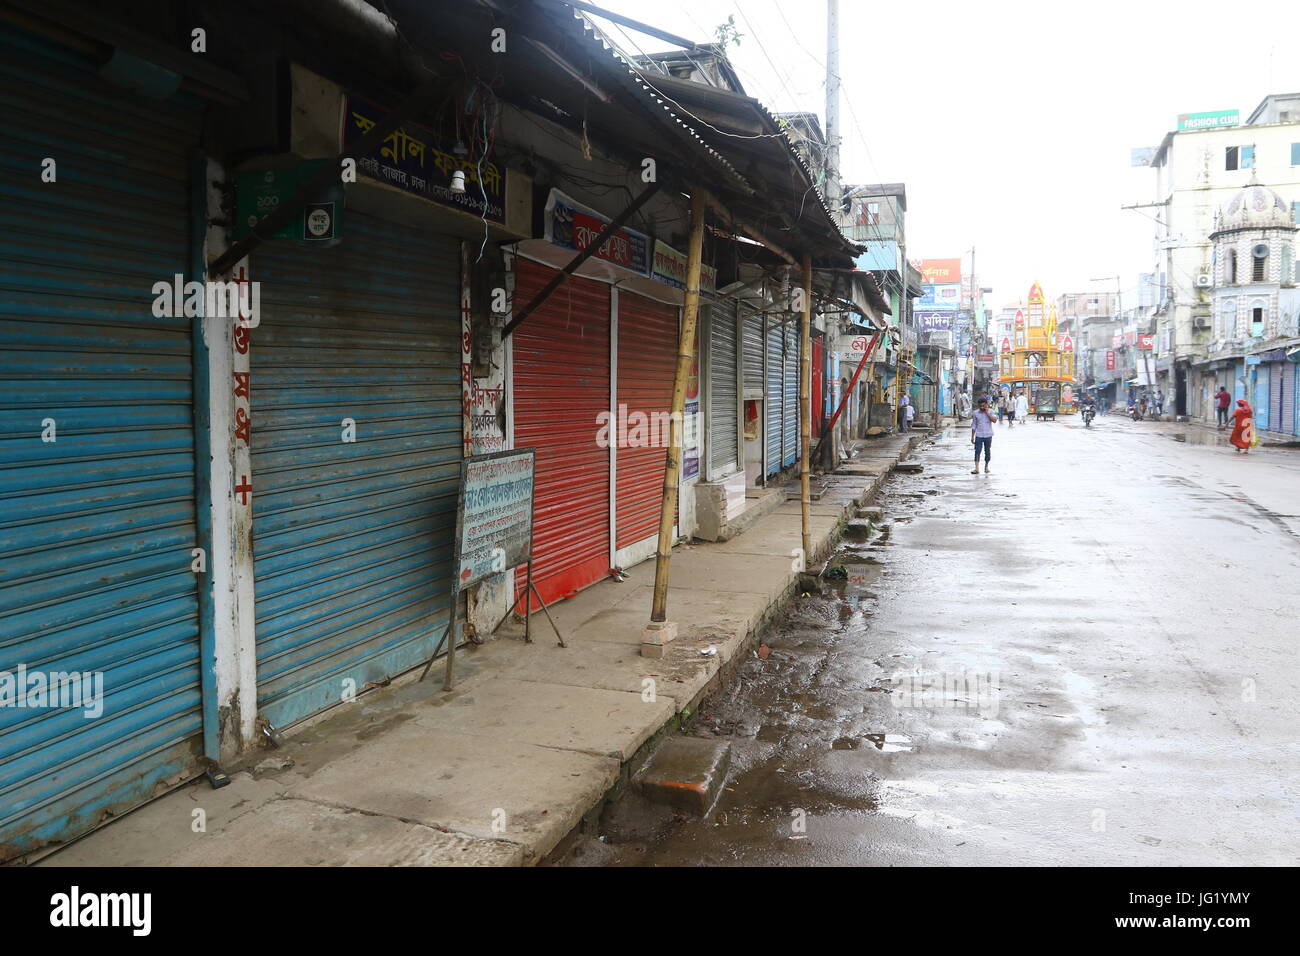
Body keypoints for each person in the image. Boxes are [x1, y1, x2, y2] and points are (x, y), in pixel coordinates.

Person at [970, 396, 996, 474]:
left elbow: (994, 420)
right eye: (980, 406)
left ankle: (986, 467)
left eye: (983, 406)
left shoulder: (991, 411)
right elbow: (974, 425)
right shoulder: (975, 413)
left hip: (988, 435)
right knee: (977, 451)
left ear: (986, 404)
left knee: (987, 451)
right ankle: (977, 468)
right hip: (979, 435)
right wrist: (972, 437)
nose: (982, 407)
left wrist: (986, 412)